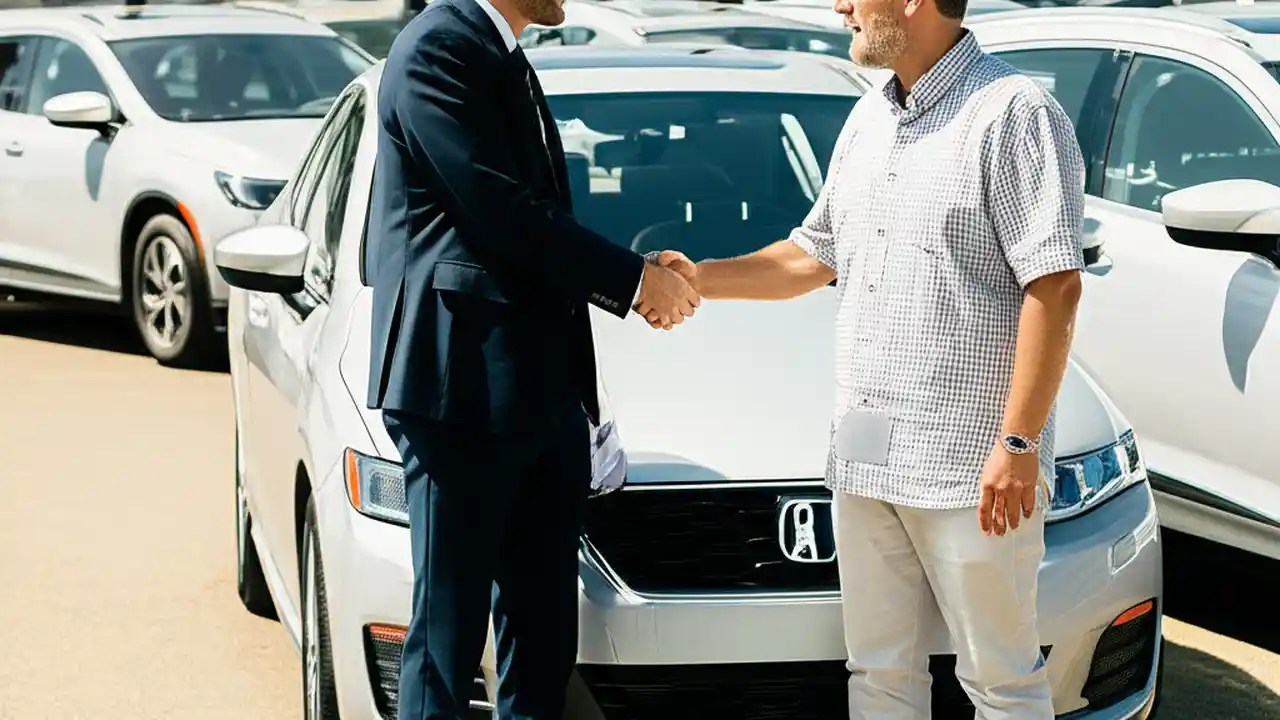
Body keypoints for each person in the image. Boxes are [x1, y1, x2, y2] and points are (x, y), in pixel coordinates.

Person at [656, 0, 1086, 715]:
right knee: (880, 674)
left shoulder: (1013, 111)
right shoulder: (869, 118)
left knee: (1001, 681)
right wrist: (698, 278)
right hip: (865, 458)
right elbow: (811, 255)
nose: (841, 6)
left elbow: (1056, 283)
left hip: (968, 467)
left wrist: (1017, 442)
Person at [363, 0, 700, 715]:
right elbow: (501, 210)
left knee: (543, 639)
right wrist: (636, 281)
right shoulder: (436, 48)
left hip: (540, 396)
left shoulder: (498, 51)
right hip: (458, 389)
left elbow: (535, 230)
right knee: (447, 643)